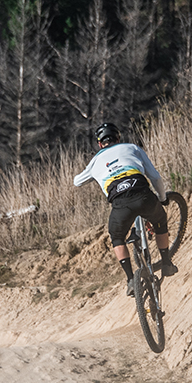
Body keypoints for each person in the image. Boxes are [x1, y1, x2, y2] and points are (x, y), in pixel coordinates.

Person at [73, 122, 177, 296]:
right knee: (160, 221)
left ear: (100, 144)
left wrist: (96, 173)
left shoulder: (96, 160)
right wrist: (162, 198)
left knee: (117, 238)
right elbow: (155, 177)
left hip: (121, 204)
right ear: (118, 138)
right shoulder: (132, 148)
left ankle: (130, 280)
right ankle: (166, 263)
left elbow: (77, 182)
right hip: (143, 195)